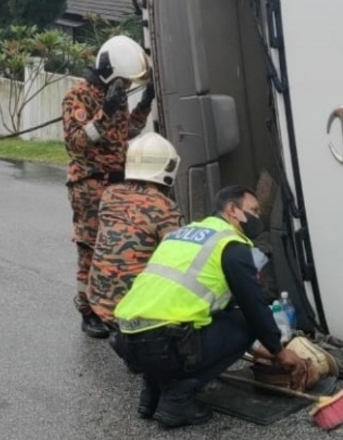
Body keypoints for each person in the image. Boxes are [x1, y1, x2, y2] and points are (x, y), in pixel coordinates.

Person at [111, 186, 307, 429]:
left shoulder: (182, 234)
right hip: (163, 346)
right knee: (246, 323)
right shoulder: (230, 244)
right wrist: (278, 350)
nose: (258, 217)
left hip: (126, 340)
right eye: (254, 210)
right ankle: (177, 401)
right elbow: (253, 305)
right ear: (233, 210)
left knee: (196, 321)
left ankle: (151, 395)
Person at [63, 35, 155, 339]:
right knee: (89, 247)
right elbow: (77, 142)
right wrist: (105, 112)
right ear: (111, 73)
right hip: (89, 185)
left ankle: (109, 305)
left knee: (114, 246)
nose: (128, 88)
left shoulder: (117, 97)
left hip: (116, 184)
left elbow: (126, 132)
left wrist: (143, 104)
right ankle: (87, 311)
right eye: (125, 82)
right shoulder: (78, 97)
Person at [86, 132, 184, 329]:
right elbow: (179, 257)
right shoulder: (164, 207)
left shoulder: (109, 194)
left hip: (98, 302)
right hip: (133, 310)